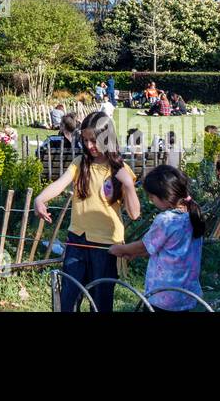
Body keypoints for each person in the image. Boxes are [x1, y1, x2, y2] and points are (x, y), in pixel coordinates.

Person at [34, 110, 140, 313]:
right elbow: (59, 184)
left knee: (100, 303)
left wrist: (128, 184)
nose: (90, 146)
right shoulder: (79, 164)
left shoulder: (120, 169)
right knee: (68, 299)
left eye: (94, 140)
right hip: (77, 241)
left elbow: (134, 214)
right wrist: (40, 199)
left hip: (107, 246)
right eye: (85, 140)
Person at [109, 164, 204, 312]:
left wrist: (120, 249)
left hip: (163, 296)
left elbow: (145, 246)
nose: (150, 200)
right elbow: (163, 247)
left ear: (166, 196)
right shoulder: (192, 213)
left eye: (152, 197)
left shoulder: (166, 220)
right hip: (186, 293)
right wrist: (135, 254)